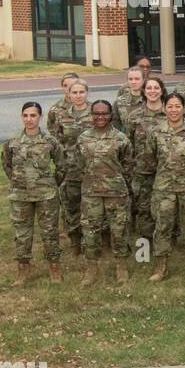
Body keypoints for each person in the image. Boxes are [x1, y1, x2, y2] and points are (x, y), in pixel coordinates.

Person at [140, 93, 185, 283]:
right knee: (162, 225)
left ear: (184, 108)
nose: (173, 110)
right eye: (169, 106)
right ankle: (161, 267)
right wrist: (166, 172)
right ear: (164, 108)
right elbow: (149, 157)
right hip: (164, 187)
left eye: (177, 106)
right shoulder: (156, 132)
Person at [2, 101, 66, 284]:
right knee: (22, 233)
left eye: (33, 115)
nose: (29, 120)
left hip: (46, 195)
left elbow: (62, 166)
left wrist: (50, 184)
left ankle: (54, 267)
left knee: (50, 232)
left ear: (40, 117)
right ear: (22, 117)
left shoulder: (50, 141)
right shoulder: (12, 142)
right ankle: (23, 268)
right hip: (20, 195)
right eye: (25, 116)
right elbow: (7, 165)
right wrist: (18, 182)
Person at [77, 100, 134, 285]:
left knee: (119, 230)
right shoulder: (83, 138)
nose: (100, 117)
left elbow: (128, 164)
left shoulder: (120, 138)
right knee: (90, 231)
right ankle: (91, 268)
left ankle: (121, 267)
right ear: (91, 115)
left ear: (111, 115)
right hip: (91, 193)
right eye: (96, 114)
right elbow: (79, 164)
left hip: (116, 193)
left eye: (104, 114)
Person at [51, 79, 94, 256]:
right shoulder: (62, 116)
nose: (78, 96)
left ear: (87, 93)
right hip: (70, 169)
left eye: (81, 92)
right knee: (72, 205)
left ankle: (95, 240)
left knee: (93, 206)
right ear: (68, 94)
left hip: (93, 168)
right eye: (74, 92)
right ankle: (75, 241)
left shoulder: (96, 112)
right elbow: (57, 141)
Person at [125, 76, 168, 244]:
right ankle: (146, 242)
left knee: (166, 207)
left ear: (162, 91)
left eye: (156, 88)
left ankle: (168, 239)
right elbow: (128, 144)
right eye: (149, 88)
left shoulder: (170, 112)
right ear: (143, 91)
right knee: (144, 207)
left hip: (165, 170)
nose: (152, 91)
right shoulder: (134, 116)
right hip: (141, 171)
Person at [47, 72, 79, 138]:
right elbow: (51, 128)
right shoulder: (55, 109)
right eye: (65, 85)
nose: (68, 88)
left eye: (72, 85)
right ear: (62, 87)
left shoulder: (91, 107)